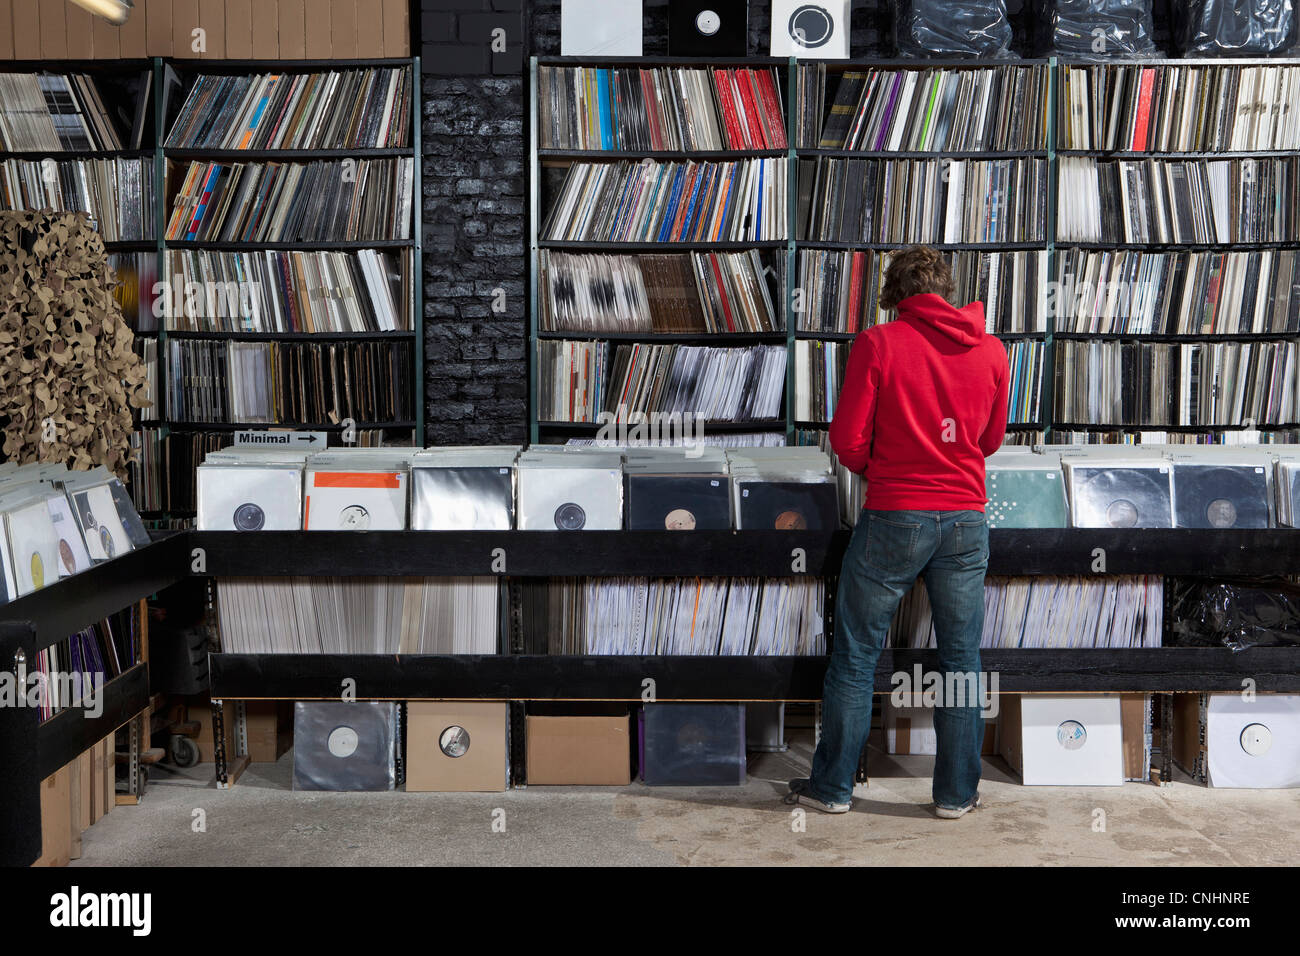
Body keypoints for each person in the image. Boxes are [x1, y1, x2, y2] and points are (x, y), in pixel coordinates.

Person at [786, 246, 1009, 819]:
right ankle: (956, 795)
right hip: (964, 518)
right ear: (947, 288)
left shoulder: (879, 344)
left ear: (893, 292)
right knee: (961, 660)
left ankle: (834, 789)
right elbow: (987, 441)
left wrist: (884, 470)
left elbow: (847, 440)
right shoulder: (991, 350)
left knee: (857, 655)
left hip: (895, 515)